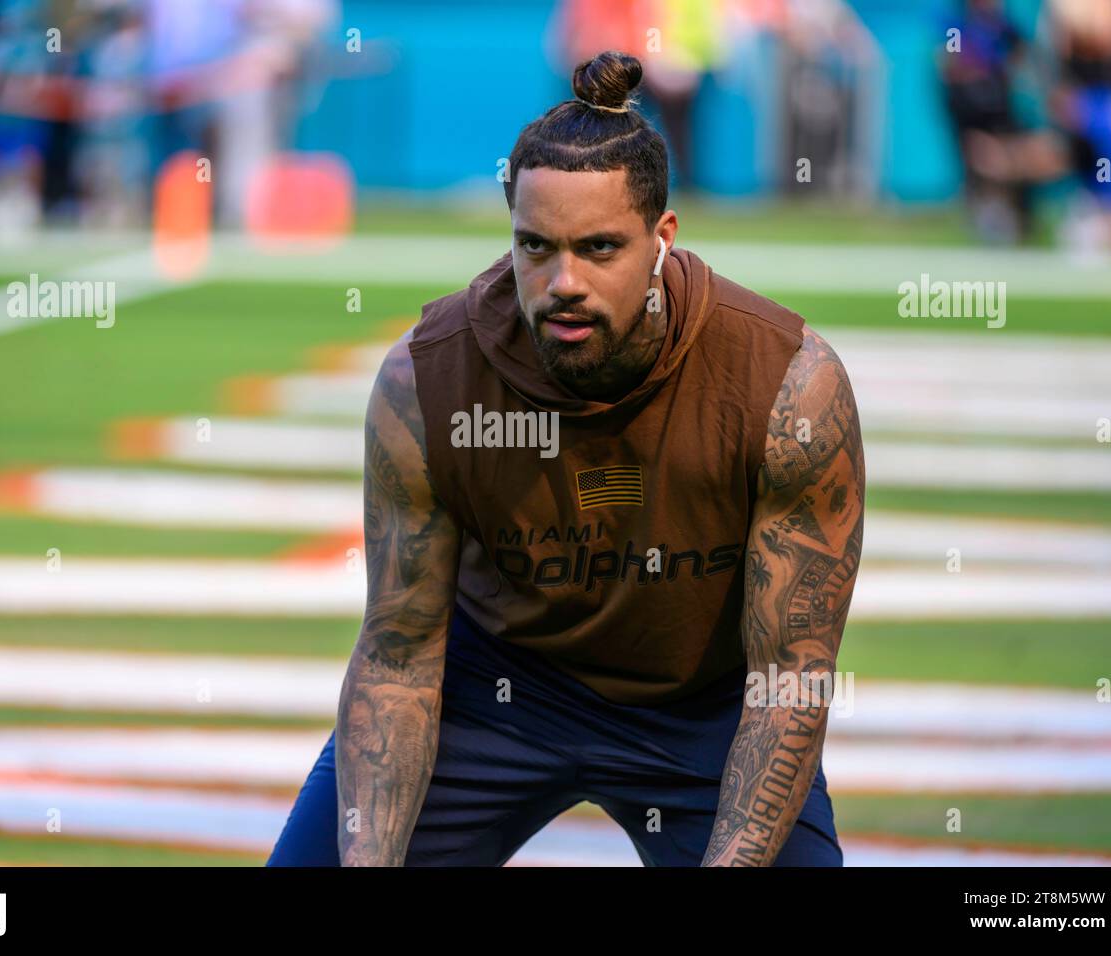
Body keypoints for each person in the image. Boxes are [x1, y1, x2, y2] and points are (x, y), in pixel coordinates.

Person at [267, 50, 865, 867]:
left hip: (703, 709)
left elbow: (791, 676)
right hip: (491, 691)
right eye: (536, 247)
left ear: (662, 241)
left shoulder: (786, 385)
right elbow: (400, 652)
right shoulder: (429, 380)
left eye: (599, 248)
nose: (563, 281)